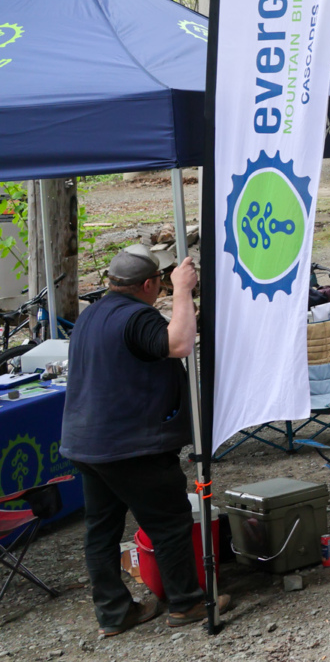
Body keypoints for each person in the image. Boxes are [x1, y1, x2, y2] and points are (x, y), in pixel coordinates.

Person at [61, 247, 221, 637]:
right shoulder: (138, 317)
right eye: (161, 283)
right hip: (129, 445)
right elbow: (179, 344)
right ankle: (186, 603)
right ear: (149, 284)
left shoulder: (91, 315)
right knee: (169, 523)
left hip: (87, 443)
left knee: (101, 530)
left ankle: (114, 614)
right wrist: (182, 290)